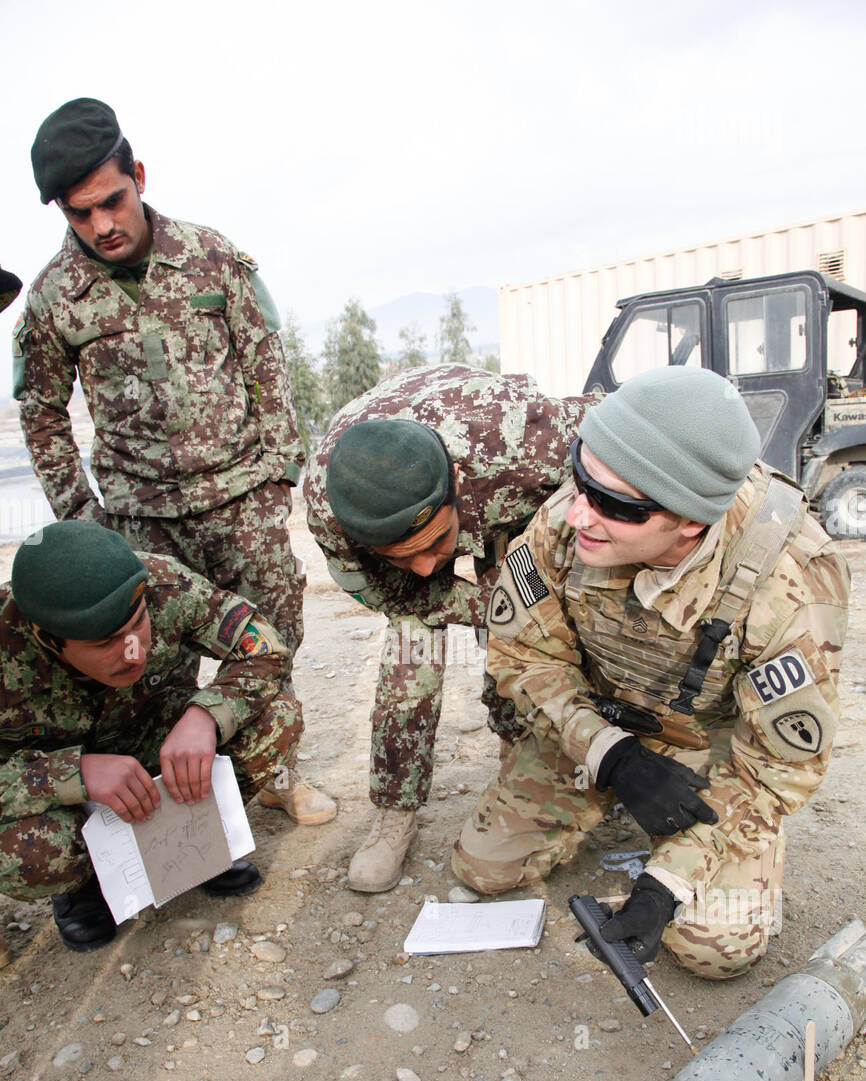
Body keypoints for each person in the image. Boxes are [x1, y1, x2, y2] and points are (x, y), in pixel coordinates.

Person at [452, 366, 850, 979]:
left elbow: (776, 766)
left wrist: (668, 880)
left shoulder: (791, 577)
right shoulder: (569, 519)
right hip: (598, 725)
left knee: (714, 948)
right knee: (482, 867)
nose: (579, 514)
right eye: (581, 477)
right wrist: (610, 754)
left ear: (690, 521)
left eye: (614, 504)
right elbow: (525, 657)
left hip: (714, 753)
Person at [14, 97, 334, 827]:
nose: (102, 225)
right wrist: (85, 520)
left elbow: (265, 363)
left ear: (140, 176)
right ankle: (178, 815)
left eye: (112, 201)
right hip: (139, 518)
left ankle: (275, 773)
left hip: (241, 499)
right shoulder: (54, 298)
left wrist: (280, 473)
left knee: (268, 642)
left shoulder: (213, 255)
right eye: (79, 213)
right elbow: (40, 411)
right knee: (151, 672)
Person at [305, 362, 597, 891]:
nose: (424, 565)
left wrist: (520, 599)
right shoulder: (332, 506)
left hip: (498, 485)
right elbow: (389, 592)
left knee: (525, 616)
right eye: (400, 554)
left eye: (435, 545)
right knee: (411, 635)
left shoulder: (529, 441)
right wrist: (480, 602)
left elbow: (617, 423)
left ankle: (525, 751)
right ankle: (396, 813)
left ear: (457, 484)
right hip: (427, 464)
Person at [0, 521, 302, 952]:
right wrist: (71, 774)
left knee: (277, 717)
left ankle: (195, 846)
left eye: (138, 625)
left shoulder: (159, 582)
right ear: (50, 641)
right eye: (106, 642)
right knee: (25, 853)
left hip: (152, 740)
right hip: (54, 791)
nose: (133, 651)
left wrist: (206, 716)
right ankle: (83, 885)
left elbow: (265, 646)